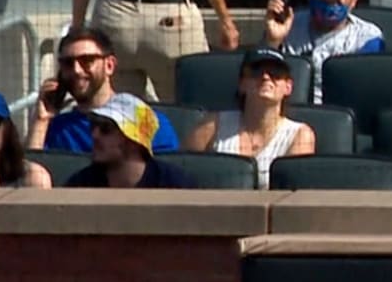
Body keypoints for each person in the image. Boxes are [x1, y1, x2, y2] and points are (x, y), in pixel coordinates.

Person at [71, 0, 238, 101]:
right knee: (189, 110)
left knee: (120, 115)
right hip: (172, 15)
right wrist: (225, 20)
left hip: (116, 15)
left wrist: (77, 27)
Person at [29, 28, 182, 154]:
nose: (76, 70)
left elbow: (165, 177)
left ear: (109, 65)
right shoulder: (57, 128)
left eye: (87, 61)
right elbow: (30, 177)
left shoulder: (144, 118)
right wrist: (40, 121)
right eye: (68, 63)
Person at [263, 0, 386, 104]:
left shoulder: (367, 38)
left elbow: (363, 94)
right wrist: (272, 42)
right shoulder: (287, 25)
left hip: (340, 118)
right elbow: (257, 83)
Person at [183, 48, 316, 189]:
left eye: (275, 74)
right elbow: (182, 171)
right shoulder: (212, 125)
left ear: (288, 87)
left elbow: (291, 192)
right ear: (242, 84)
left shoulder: (300, 135)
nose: (265, 77)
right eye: (256, 72)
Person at [64, 93, 198, 188]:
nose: (95, 135)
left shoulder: (175, 185)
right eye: (94, 125)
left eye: (106, 128)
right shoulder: (82, 184)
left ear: (134, 140)